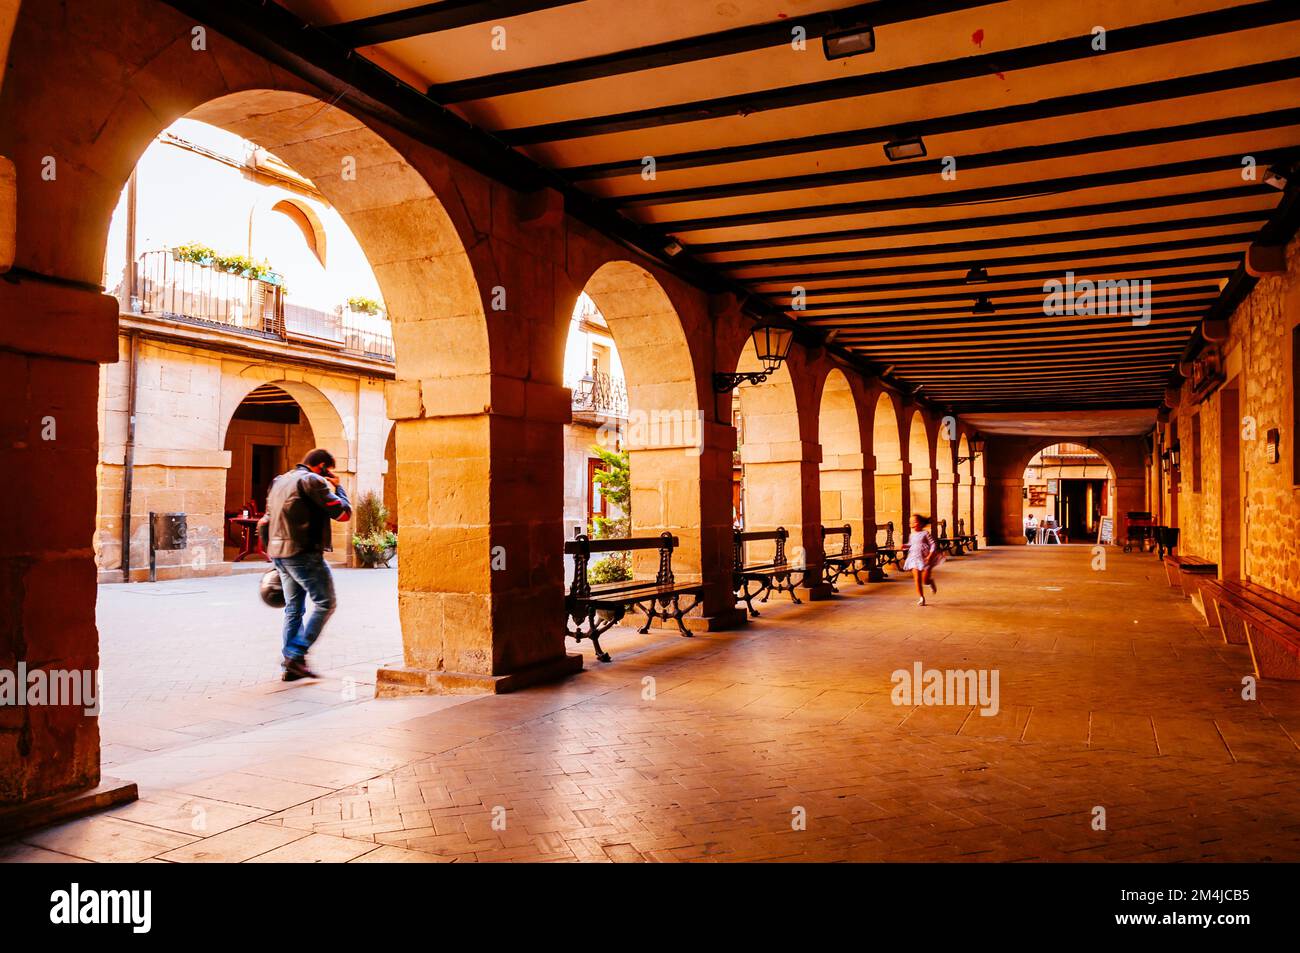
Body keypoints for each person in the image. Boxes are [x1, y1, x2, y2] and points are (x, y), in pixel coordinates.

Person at [258, 448, 352, 681]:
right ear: (321, 466)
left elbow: (265, 521)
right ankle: (296, 655)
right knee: (325, 603)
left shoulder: (280, 481)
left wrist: (271, 553)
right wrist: (338, 487)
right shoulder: (313, 480)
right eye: (328, 470)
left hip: (279, 553)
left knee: (293, 609)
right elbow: (343, 513)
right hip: (303, 553)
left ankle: (292, 667)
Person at [904, 513, 941, 606]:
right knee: (917, 579)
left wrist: (930, 555)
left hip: (925, 559)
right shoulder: (911, 535)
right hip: (914, 558)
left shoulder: (925, 533)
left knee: (925, 580)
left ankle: (930, 582)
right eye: (910, 522)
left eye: (914, 522)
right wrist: (905, 545)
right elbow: (911, 544)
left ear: (920, 523)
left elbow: (933, 544)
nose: (911, 524)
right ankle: (921, 598)